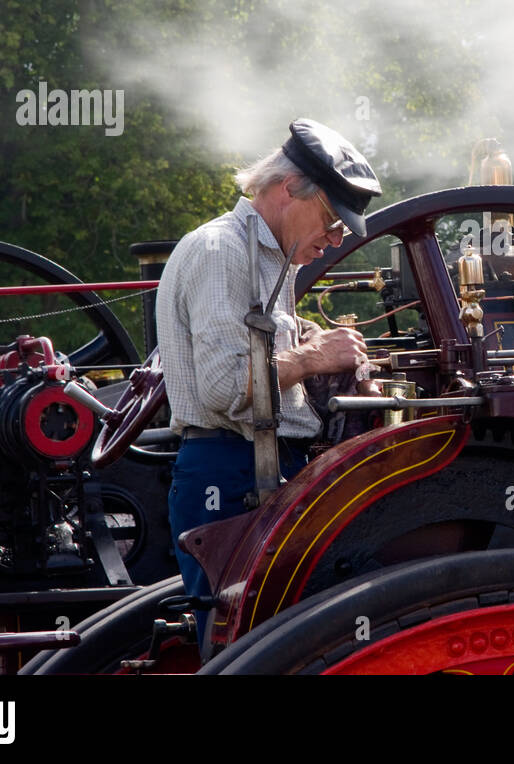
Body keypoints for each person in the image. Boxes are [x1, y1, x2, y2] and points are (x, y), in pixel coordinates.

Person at [156, 118, 382, 642]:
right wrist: (310, 359)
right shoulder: (222, 251)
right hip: (230, 475)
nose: (332, 240)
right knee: (248, 646)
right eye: (330, 220)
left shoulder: (269, 259)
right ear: (287, 190)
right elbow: (222, 387)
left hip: (251, 470)